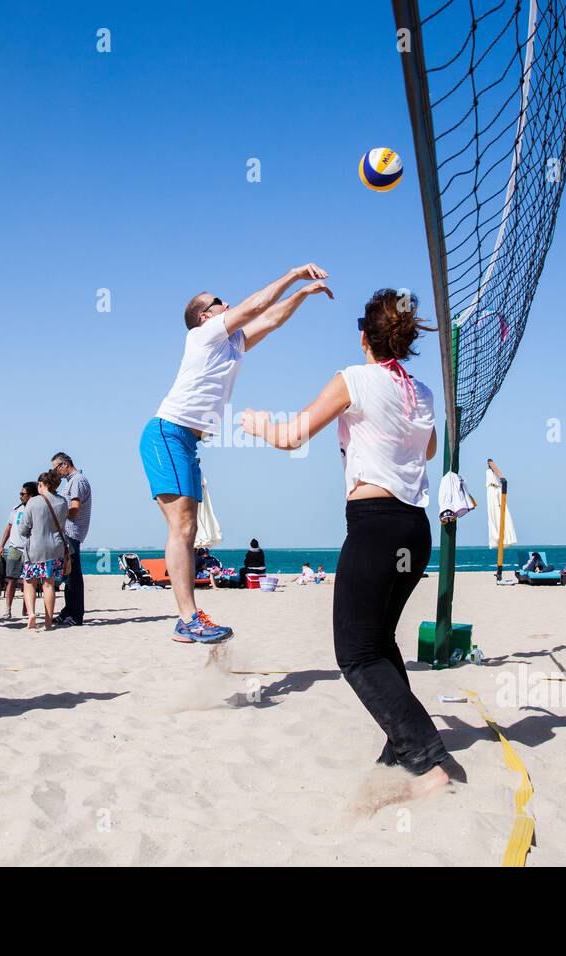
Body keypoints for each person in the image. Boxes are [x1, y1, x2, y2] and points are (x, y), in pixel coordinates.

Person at [242, 288, 462, 801]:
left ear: (364, 337)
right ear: (404, 341)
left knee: (356, 654)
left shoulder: (354, 379)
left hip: (376, 525)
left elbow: (292, 436)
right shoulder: (422, 392)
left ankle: (427, 759)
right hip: (414, 530)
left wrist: (257, 425)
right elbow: (427, 448)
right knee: (380, 642)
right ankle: (400, 747)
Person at [140, 263, 334, 644]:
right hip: (167, 432)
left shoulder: (230, 343)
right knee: (181, 527)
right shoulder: (203, 336)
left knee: (190, 529)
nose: (225, 303)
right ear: (203, 315)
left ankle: (188, 619)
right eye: (217, 301)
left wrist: (302, 296)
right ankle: (187, 618)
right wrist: (295, 275)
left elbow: (271, 318)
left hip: (185, 441)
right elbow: (255, 305)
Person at [16, 470, 69, 631]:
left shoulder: (33, 502)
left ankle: (31, 614)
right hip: (55, 547)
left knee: (29, 581)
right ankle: (48, 621)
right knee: (49, 584)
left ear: (42, 484)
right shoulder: (62, 502)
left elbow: (23, 529)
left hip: (35, 548)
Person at [50, 453, 91, 626]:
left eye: (55, 469)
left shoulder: (77, 481)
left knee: (73, 574)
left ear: (64, 464)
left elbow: (75, 508)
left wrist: (59, 516)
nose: (54, 473)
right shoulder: (72, 481)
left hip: (72, 532)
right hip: (69, 532)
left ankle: (75, 614)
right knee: (68, 574)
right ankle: (68, 611)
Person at [0, 482, 36, 620]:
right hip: (14, 547)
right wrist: (1, 545)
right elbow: (8, 527)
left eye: (23, 494)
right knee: (11, 579)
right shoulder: (16, 509)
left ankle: (27, 609)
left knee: (29, 579)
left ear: (30, 495)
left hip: (30, 548)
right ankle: (8, 609)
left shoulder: (35, 509)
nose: (20, 496)